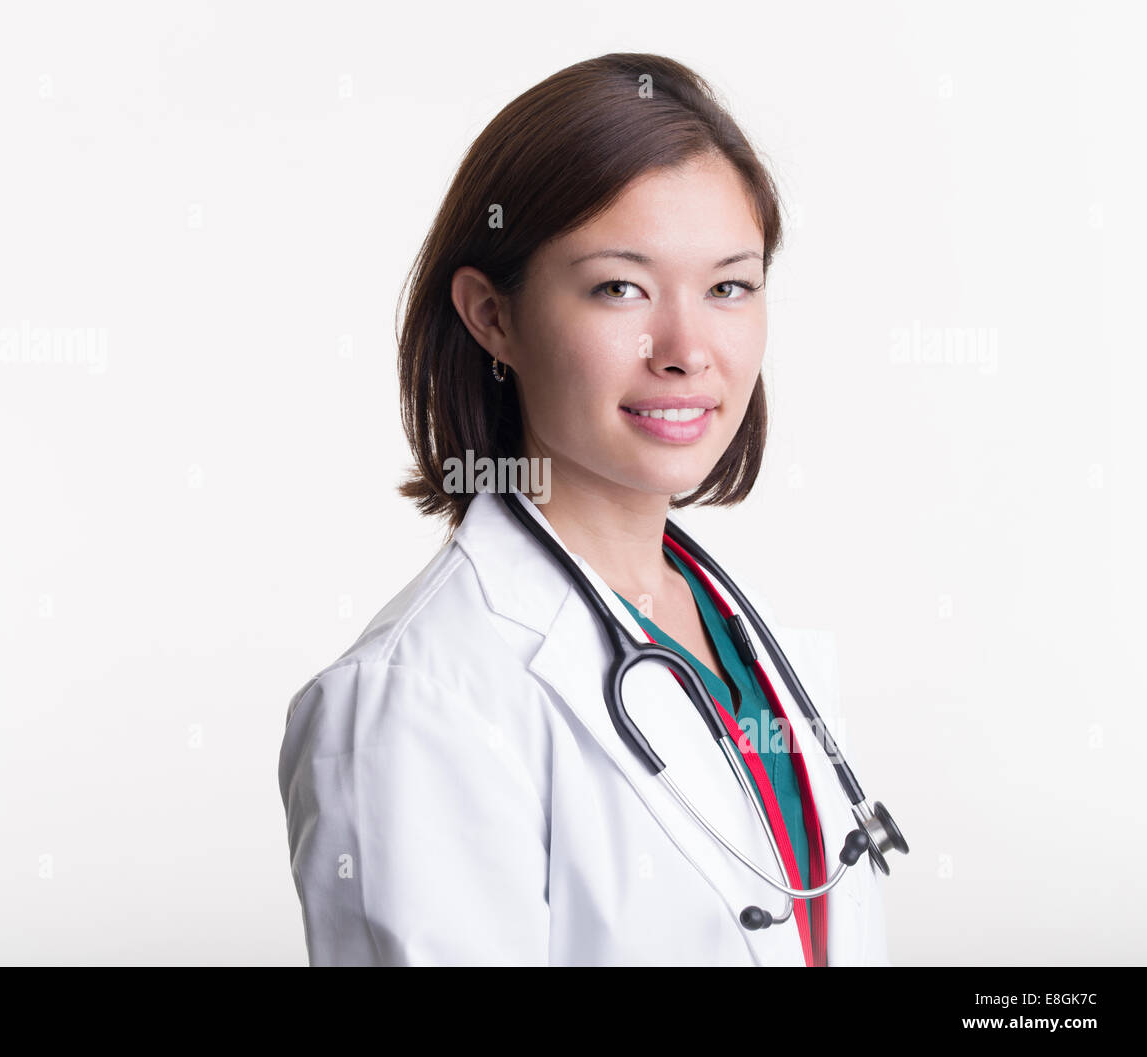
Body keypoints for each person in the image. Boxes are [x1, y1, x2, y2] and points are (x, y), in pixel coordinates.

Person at [277, 52, 892, 967]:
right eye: (620, 287)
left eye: (730, 285)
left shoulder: (750, 644)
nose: (686, 348)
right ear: (493, 316)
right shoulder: (418, 701)